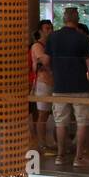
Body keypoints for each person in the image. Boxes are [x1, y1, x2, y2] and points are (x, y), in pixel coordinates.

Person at [45, 6, 89, 168]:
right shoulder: (83, 39)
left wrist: (53, 73)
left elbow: (46, 61)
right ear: (77, 19)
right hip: (80, 85)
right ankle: (78, 157)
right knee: (82, 121)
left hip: (60, 86)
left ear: (63, 19)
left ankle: (60, 156)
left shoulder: (53, 37)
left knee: (60, 122)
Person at [30, 19, 54, 153]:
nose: (50, 31)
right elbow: (43, 61)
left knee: (49, 113)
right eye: (47, 29)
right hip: (43, 82)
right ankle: (42, 142)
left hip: (53, 82)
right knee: (43, 114)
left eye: (51, 28)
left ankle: (47, 141)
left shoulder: (50, 45)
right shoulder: (38, 46)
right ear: (40, 31)